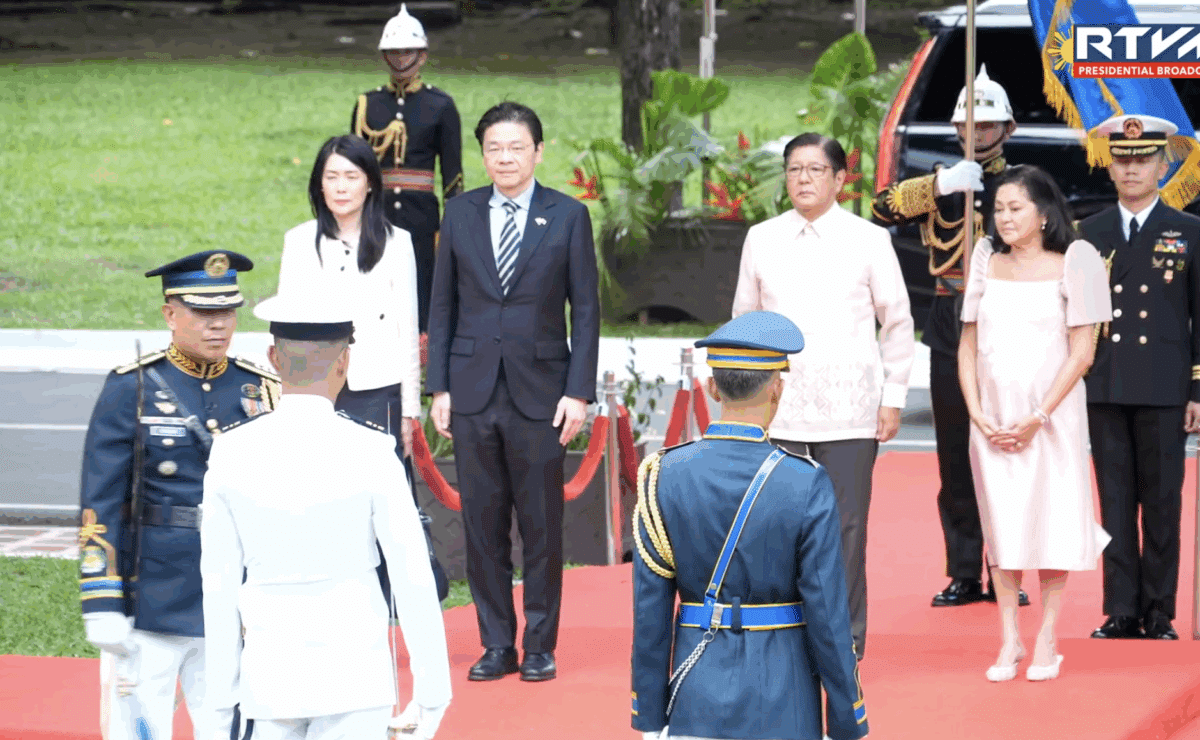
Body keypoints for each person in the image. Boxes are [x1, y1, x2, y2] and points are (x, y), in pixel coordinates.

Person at [200, 292, 451, 740]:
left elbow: (217, 587)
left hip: (270, 679)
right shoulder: (372, 450)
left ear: (273, 358)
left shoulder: (231, 451)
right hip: (355, 677)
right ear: (345, 362)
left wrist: (219, 708)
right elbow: (412, 576)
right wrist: (432, 694)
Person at [426, 100, 601, 682]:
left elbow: (587, 311)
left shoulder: (569, 216)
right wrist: (439, 386)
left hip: (543, 393)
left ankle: (540, 644)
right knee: (482, 524)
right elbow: (444, 304)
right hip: (473, 392)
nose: (505, 157)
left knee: (541, 525)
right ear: (483, 155)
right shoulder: (461, 213)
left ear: (538, 152)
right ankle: (496, 642)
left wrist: (579, 392)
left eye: (516, 147)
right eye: (494, 148)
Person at [631, 310, 868, 740]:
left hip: (694, 695)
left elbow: (650, 612)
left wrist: (650, 715)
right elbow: (829, 616)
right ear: (778, 388)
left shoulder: (662, 474)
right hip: (784, 697)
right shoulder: (804, 481)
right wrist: (847, 718)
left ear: (711, 387)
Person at [77, 250, 279, 740]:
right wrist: (101, 600)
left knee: (229, 726)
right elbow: (100, 500)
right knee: (141, 728)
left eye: (227, 312)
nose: (218, 326)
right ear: (170, 314)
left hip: (235, 597)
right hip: (154, 596)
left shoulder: (260, 389)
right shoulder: (136, 387)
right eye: (203, 314)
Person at [731, 132, 914, 661]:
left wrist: (892, 396)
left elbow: (897, 322)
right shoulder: (762, 238)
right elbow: (745, 320)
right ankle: (783, 634)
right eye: (794, 170)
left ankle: (844, 640)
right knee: (774, 526)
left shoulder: (868, 240)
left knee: (845, 530)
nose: (803, 179)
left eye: (815, 170)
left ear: (839, 179)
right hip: (780, 412)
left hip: (850, 411)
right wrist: (745, 400)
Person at [871, 65, 1030, 609]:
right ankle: (964, 571)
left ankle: (1009, 569)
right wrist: (942, 185)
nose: (977, 134)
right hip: (950, 311)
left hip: (1008, 317)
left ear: (1007, 129)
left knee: (1008, 446)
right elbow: (880, 208)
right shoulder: (939, 178)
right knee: (954, 452)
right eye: (969, 125)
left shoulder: (1025, 183)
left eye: (988, 126)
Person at [958, 164, 1112, 682]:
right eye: (998, 208)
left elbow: (1083, 352)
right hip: (993, 419)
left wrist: (1039, 415)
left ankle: (1047, 633)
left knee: (1051, 519)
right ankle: (1009, 637)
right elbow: (967, 345)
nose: (1004, 217)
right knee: (1001, 525)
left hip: (1052, 417)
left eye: (1015, 207)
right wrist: (977, 413)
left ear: (1044, 213)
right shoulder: (984, 260)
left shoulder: (1078, 260)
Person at [1080, 114, 1200, 641]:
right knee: (1114, 500)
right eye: (1123, 158)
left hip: (1164, 386)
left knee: (1161, 501)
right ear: (1110, 165)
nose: (1132, 168)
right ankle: (1120, 608)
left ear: (1163, 164)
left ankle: (1158, 610)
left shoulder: (1189, 231)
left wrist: (1198, 388)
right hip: (1105, 385)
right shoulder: (1090, 231)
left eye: (1143, 159)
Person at [351, 2, 464, 345]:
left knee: (423, 285)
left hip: (421, 217)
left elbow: (453, 176)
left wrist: (451, 226)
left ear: (423, 54)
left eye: (408, 51)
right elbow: (355, 168)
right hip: (378, 213)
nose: (401, 58)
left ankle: (424, 352)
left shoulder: (440, 105)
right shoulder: (368, 105)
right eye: (394, 51)